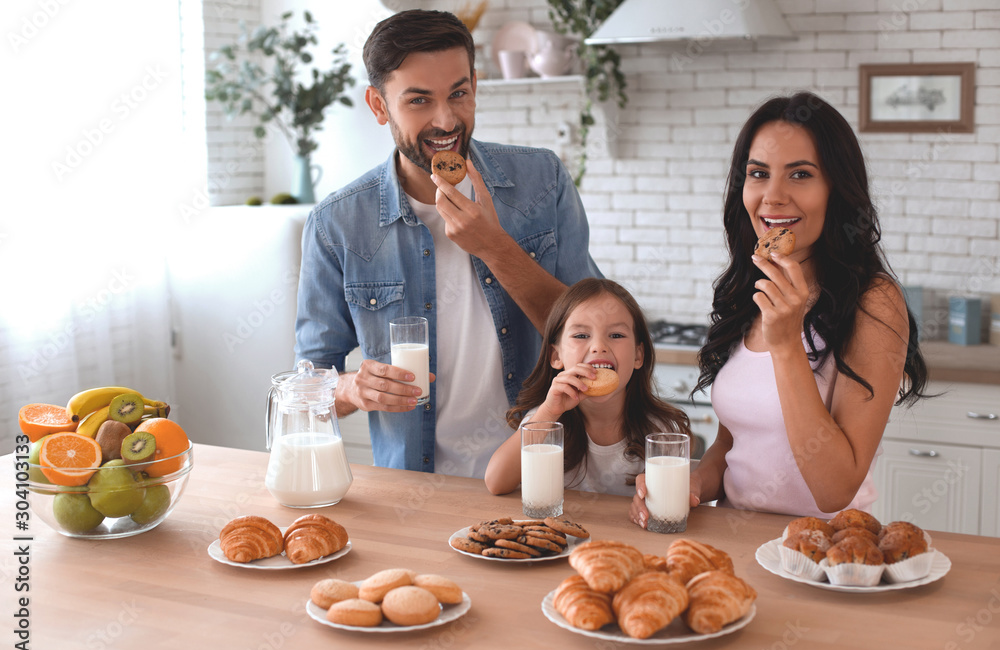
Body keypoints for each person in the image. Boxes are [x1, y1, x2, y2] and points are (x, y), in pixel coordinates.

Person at [294, 10, 601, 477]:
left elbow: (596, 341)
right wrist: (351, 389)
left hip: (548, 478)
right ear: (379, 106)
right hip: (419, 492)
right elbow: (306, 389)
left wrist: (495, 247)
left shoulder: (543, 180)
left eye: (458, 93)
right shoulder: (336, 224)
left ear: (475, 86)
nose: (446, 120)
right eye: (419, 101)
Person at [630, 92, 929, 525]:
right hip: (732, 542)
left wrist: (787, 343)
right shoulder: (751, 291)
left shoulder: (874, 301)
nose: (773, 196)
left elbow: (834, 489)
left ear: (836, 188)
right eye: (759, 174)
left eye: (800, 174)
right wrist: (694, 482)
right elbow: (731, 447)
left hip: (823, 556)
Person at [485, 278, 690, 497]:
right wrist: (549, 412)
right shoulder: (544, 422)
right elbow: (497, 482)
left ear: (638, 355)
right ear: (556, 356)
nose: (599, 346)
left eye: (616, 335)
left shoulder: (661, 431)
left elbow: (673, 504)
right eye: (581, 335)